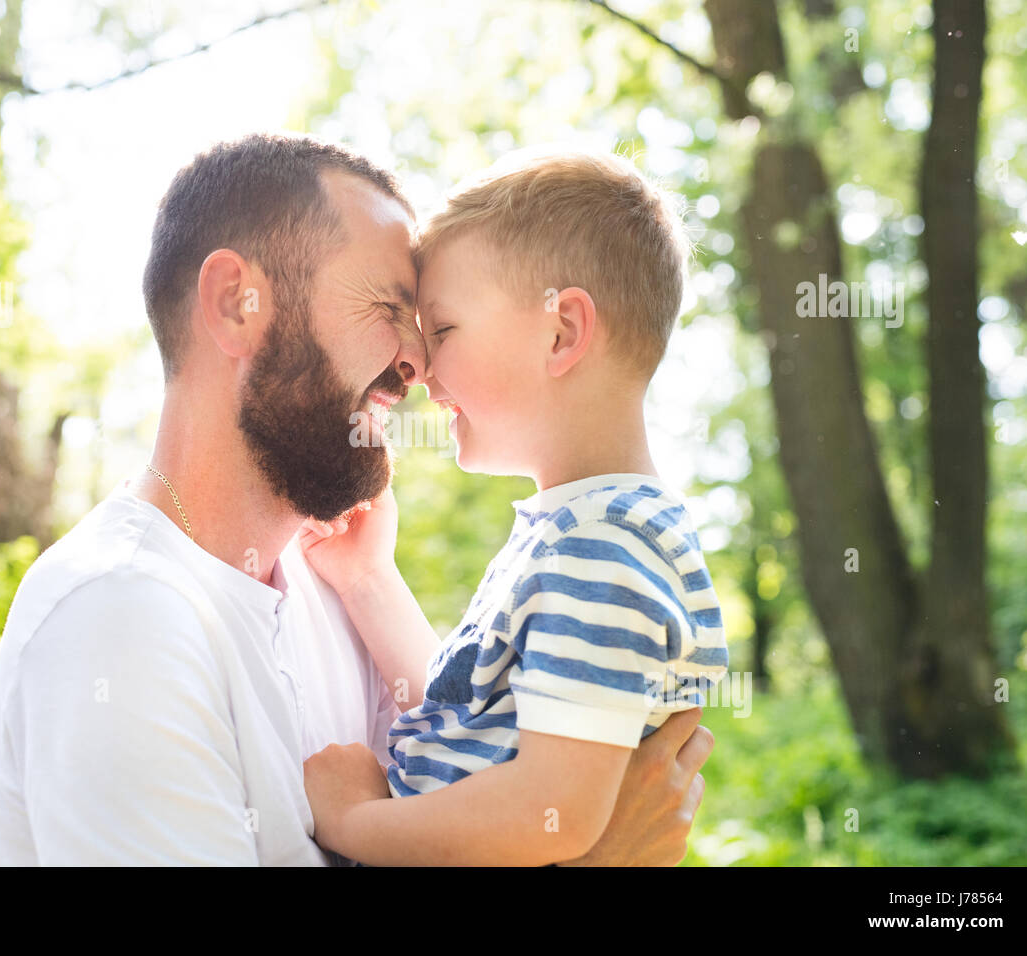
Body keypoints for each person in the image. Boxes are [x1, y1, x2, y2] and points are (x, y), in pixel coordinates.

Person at [0, 133, 714, 865]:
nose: (418, 361)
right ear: (237, 303)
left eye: (435, 325)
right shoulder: (120, 617)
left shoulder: (335, 591)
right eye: (390, 309)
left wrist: (367, 583)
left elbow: (471, 764)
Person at [299, 147, 729, 866]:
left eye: (442, 330)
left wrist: (355, 824)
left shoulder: (605, 552)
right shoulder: (581, 534)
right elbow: (470, 725)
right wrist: (369, 582)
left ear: (561, 332)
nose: (422, 370)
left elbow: (549, 814)